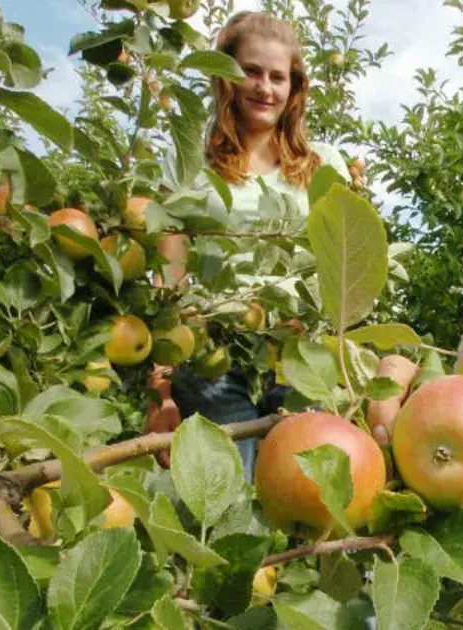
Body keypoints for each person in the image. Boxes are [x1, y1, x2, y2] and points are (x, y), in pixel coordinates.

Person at [146, 10, 354, 474]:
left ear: (294, 87)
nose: (265, 88)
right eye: (251, 72)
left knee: (305, 490)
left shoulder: (325, 166)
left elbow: (343, 266)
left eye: (278, 77)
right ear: (227, 79)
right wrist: (160, 391)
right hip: (213, 358)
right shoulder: (188, 166)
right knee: (228, 494)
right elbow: (168, 283)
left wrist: (342, 354)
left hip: (299, 355)